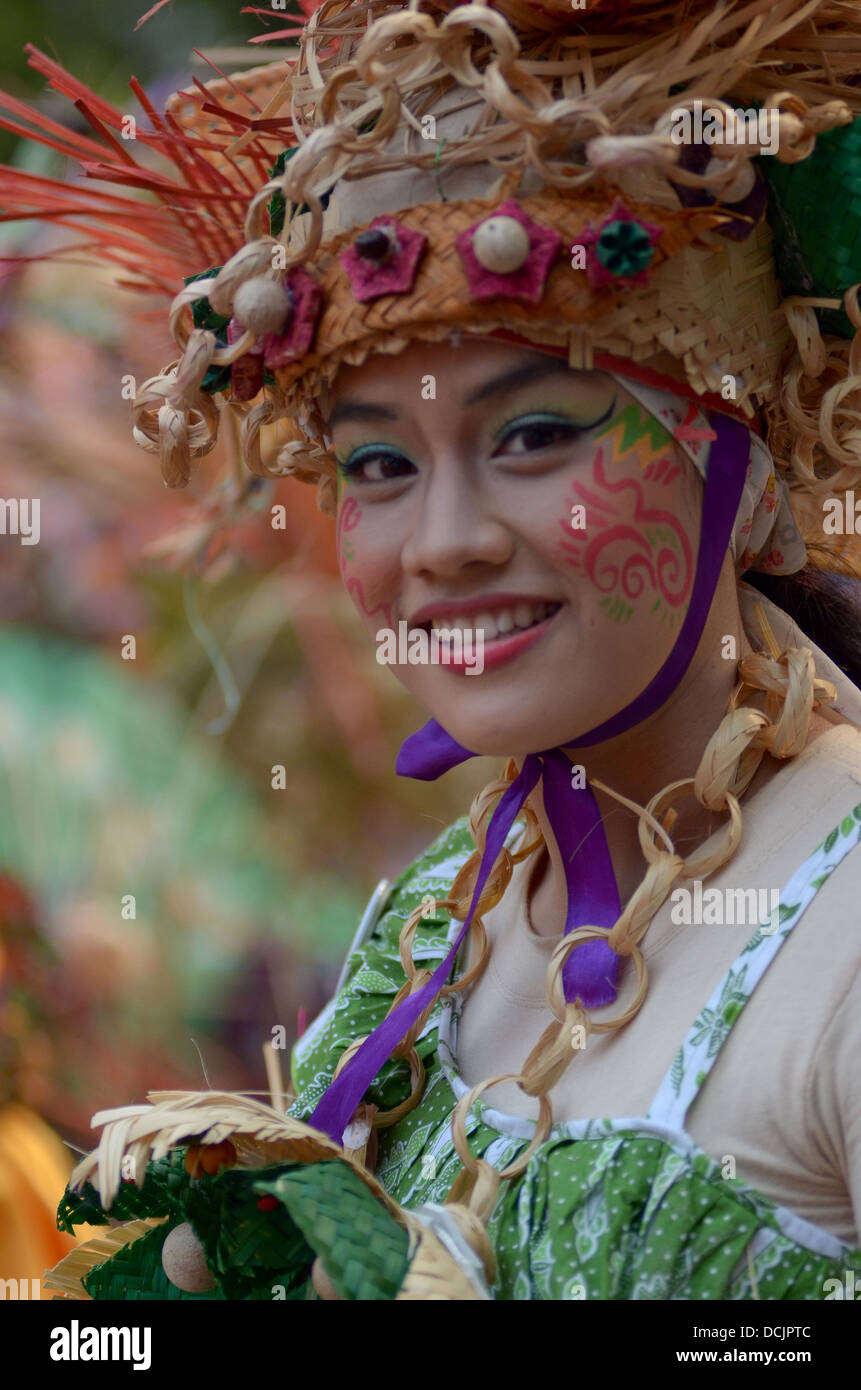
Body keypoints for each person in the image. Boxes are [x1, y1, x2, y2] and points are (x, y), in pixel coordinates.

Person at [15, 0, 861, 1299]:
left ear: (739, 470)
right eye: (377, 464)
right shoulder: (424, 919)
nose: (443, 541)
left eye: (530, 436)